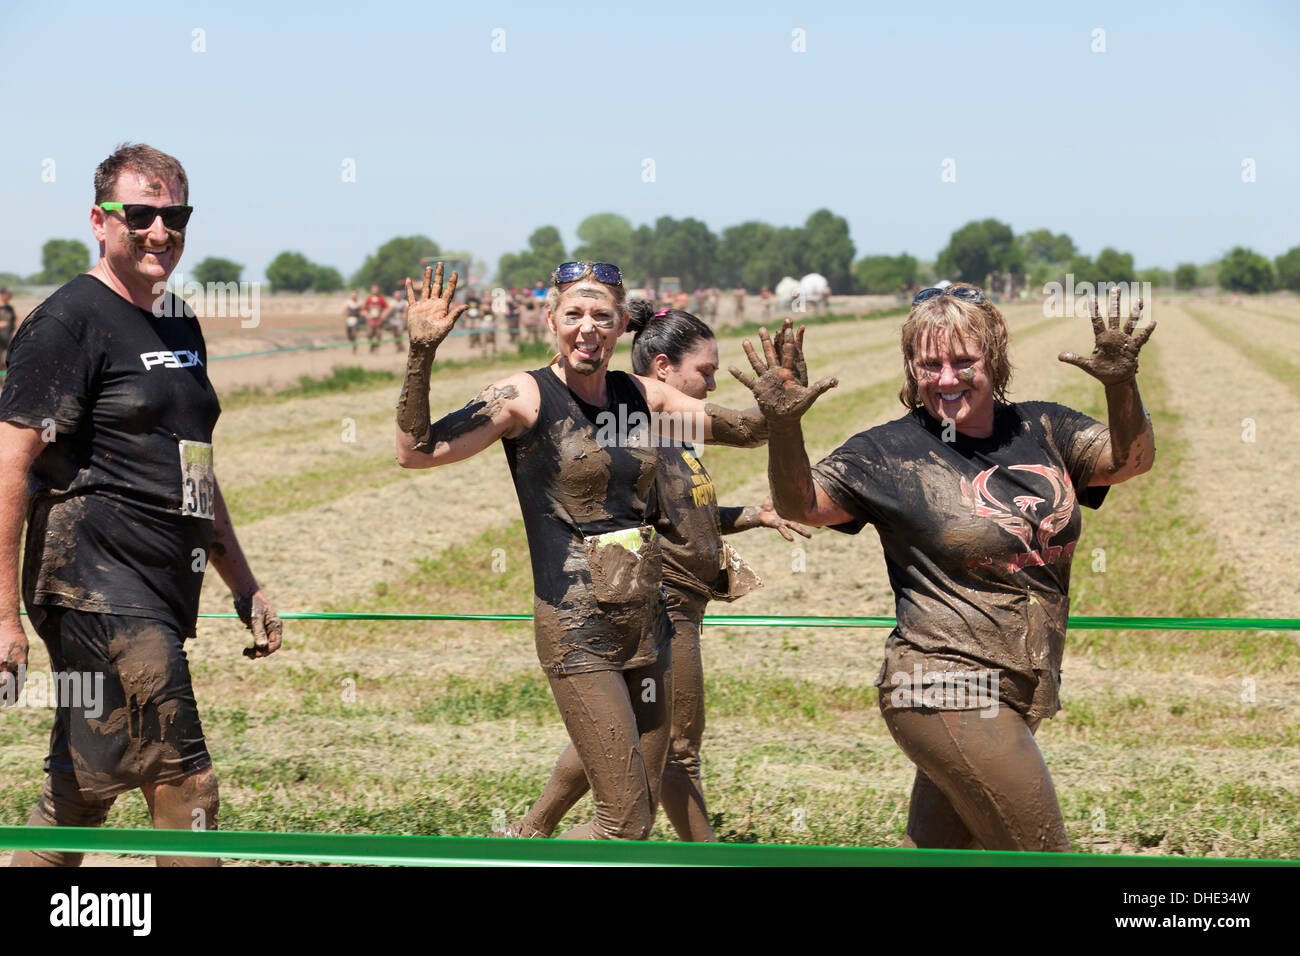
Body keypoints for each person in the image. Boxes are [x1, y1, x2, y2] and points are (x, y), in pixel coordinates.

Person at [395, 261, 822, 840]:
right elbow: (417, 449)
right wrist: (421, 354)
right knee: (621, 821)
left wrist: (780, 407)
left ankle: (521, 846)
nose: (587, 327)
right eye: (574, 313)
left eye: (601, 315)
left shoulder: (638, 394)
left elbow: (745, 431)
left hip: (647, 624)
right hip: (576, 627)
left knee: (633, 825)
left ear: (622, 326)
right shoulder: (525, 396)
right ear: (551, 321)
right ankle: (519, 851)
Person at [732, 283, 1156, 851]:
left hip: (1020, 680)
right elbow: (800, 505)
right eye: (929, 364)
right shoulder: (888, 453)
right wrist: (783, 426)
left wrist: (1121, 384)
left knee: (937, 856)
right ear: (911, 368)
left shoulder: (1043, 429)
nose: (947, 378)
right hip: (942, 685)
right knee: (1040, 856)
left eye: (963, 361)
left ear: (995, 360)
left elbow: (1131, 460)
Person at [0, 143, 284, 867]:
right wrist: (2, 615)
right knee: (187, 787)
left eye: (176, 215)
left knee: (83, 790)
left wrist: (242, 583)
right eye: (142, 215)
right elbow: (9, 463)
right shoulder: (67, 322)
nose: (161, 231)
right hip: (93, 583)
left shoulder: (178, 321)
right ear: (101, 220)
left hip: (157, 584)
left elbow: (195, 465)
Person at [496, 305, 809, 841]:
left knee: (627, 736)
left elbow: (687, 515)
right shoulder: (644, 438)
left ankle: (530, 833)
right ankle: (699, 857)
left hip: (682, 604)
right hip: (662, 602)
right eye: (704, 371)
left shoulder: (675, 438)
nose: (711, 383)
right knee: (674, 752)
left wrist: (752, 515)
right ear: (662, 369)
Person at [363, 283, 387, 353]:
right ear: (371, 290)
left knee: (378, 335)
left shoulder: (381, 298)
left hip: (378, 320)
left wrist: (383, 314)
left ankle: (377, 347)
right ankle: (372, 345)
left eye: (376, 289)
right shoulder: (368, 299)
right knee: (369, 334)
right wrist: (367, 315)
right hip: (370, 321)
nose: (375, 290)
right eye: (373, 289)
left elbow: (387, 308)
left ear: (378, 290)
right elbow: (364, 309)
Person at [386, 288, 408, 352]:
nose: (397, 296)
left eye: (398, 295)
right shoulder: (392, 302)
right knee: (395, 335)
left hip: (401, 321)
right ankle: (399, 347)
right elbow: (389, 310)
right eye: (396, 295)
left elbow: (405, 312)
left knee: (399, 334)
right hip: (393, 321)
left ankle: (400, 347)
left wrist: (404, 316)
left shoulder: (404, 302)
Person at [0, 287, 17, 371]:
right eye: (8, 295)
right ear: (2, 295)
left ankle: (5, 380)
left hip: (8, 338)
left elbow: (13, 321)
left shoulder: (10, 308)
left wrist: (14, 331)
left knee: (8, 360)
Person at [344, 289, 363, 353]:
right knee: (349, 334)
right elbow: (345, 310)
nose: (354, 295)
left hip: (356, 319)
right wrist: (346, 313)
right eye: (352, 294)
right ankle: (353, 343)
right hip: (349, 319)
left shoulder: (359, 302)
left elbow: (361, 310)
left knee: (354, 333)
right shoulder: (348, 302)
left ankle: (354, 347)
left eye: (355, 294)